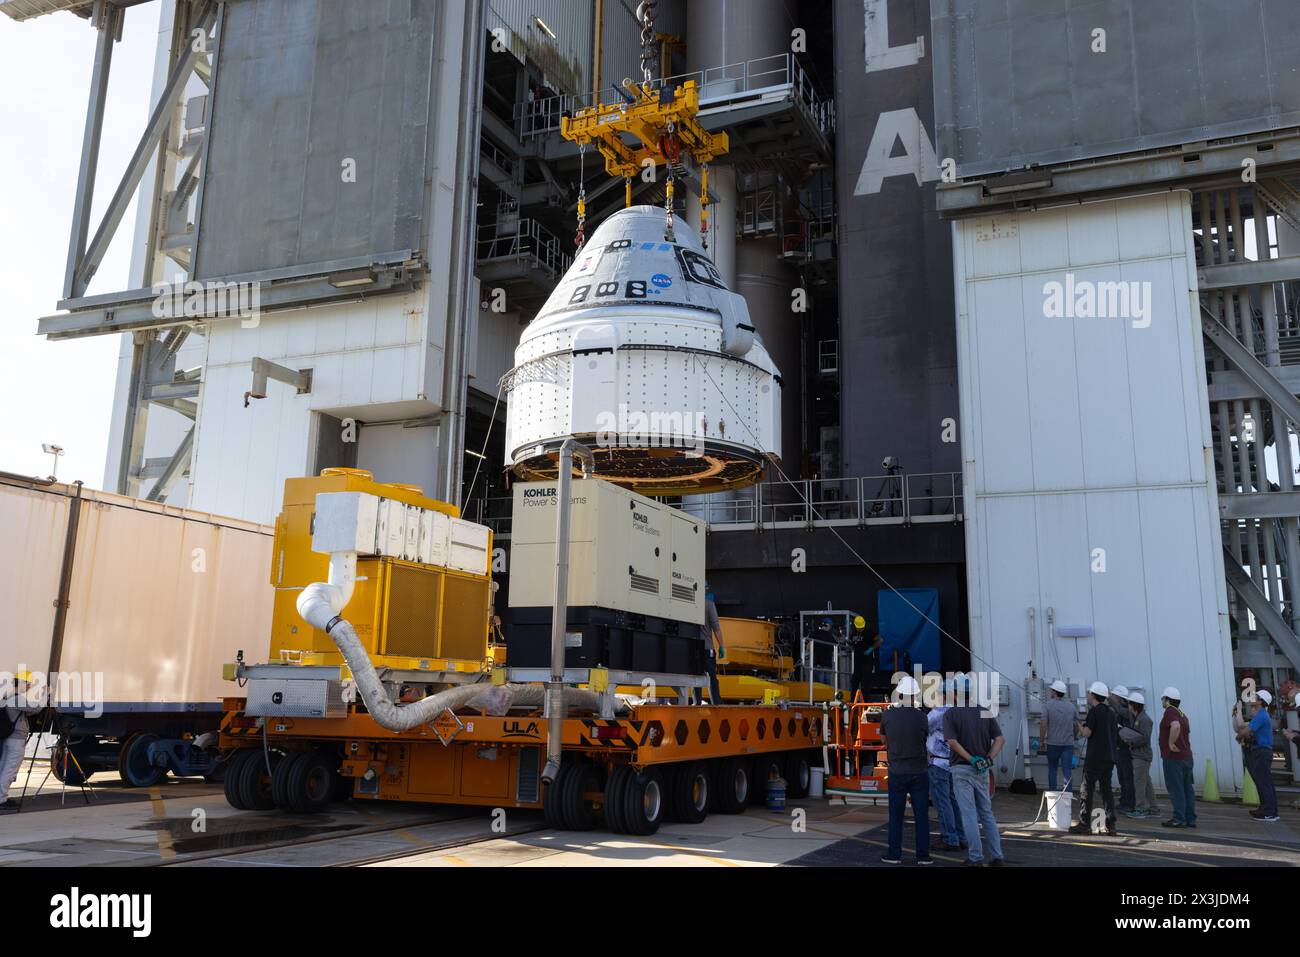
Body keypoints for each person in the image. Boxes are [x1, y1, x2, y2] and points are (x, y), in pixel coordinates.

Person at [943, 674, 1006, 866]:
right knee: (986, 813)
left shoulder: (951, 714)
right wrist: (987, 759)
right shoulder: (984, 711)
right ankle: (997, 856)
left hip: (962, 769)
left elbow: (952, 742)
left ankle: (975, 857)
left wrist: (971, 759)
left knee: (969, 814)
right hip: (982, 771)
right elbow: (1000, 739)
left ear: (955, 693)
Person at [879, 675, 931, 864]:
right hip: (919, 771)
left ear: (899, 694)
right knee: (922, 816)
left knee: (895, 816)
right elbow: (925, 738)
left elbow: (883, 740)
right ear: (915, 695)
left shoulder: (887, 715)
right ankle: (923, 856)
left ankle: (894, 854)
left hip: (897, 771)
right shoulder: (922, 717)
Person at [1070, 681, 1118, 835]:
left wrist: (1079, 725)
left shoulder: (1094, 711)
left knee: (1087, 789)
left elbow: (1087, 733)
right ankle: (1111, 825)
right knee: (1106, 791)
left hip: (1095, 757)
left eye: (1090, 692)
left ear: (1093, 695)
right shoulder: (1111, 713)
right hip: (1109, 757)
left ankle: (1084, 823)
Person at [926, 677, 966, 851]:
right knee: (954, 801)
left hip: (938, 763)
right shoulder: (959, 712)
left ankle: (950, 838)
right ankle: (961, 836)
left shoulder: (936, 714)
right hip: (955, 762)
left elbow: (923, 730)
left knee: (943, 803)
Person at [1233, 689, 1279, 823]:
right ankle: (1265, 809)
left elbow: (1245, 728)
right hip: (1261, 751)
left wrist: (1239, 711)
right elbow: (1246, 728)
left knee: (1264, 783)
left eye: (1256, 697)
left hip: (1262, 752)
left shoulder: (1262, 716)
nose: (1253, 698)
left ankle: (1269, 813)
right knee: (1263, 782)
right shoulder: (1261, 715)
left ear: (1260, 701)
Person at [1, 670, 41, 811]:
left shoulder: (9, 697)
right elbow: (35, 708)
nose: (29, 686)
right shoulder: (16, 698)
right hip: (16, 739)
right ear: (21, 683)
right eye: (28, 683)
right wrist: (45, 695)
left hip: (10, 738)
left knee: (4, 767)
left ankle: (2, 797)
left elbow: (26, 711)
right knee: (10, 769)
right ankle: (1, 800)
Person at [1159, 687, 1197, 829]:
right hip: (1187, 757)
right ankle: (1190, 819)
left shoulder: (1170, 712)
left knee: (1176, 789)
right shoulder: (1183, 714)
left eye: (1163, 698)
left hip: (1174, 758)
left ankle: (1179, 818)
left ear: (1168, 700)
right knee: (1187, 788)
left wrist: (1170, 743)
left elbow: (1175, 726)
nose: (1162, 701)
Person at [1119, 691, 1159, 818]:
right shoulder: (1138, 717)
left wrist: (1129, 741)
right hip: (1140, 755)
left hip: (1141, 756)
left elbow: (1144, 738)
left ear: (1134, 705)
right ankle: (1154, 808)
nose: (1128, 706)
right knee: (1146, 783)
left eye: (1130, 703)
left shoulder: (1144, 719)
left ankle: (1140, 809)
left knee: (1139, 783)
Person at [1039, 679, 1077, 792]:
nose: (1050, 692)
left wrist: (1041, 741)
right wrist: (1074, 737)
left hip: (1052, 744)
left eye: (1051, 690)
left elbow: (1043, 724)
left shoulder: (1047, 705)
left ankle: (1053, 796)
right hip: (1068, 744)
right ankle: (1068, 797)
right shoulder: (1071, 706)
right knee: (1067, 771)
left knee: (1052, 769)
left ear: (1055, 692)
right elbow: (1076, 725)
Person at [694, 587, 725, 705]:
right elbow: (716, 628)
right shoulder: (709, 605)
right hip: (707, 647)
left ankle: (697, 703)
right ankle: (715, 703)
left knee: (697, 676)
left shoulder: (691, 604)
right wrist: (721, 645)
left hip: (694, 647)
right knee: (712, 676)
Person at [1110, 685, 1136, 815]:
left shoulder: (1126, 712)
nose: (1113, 699)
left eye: (1115, 696)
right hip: (1119, 749)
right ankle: (1124, 801)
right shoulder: (1121, 712)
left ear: (1119, 698)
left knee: (1127, 778)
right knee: (1122, 777)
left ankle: (1129, 804)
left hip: (1125, 750)